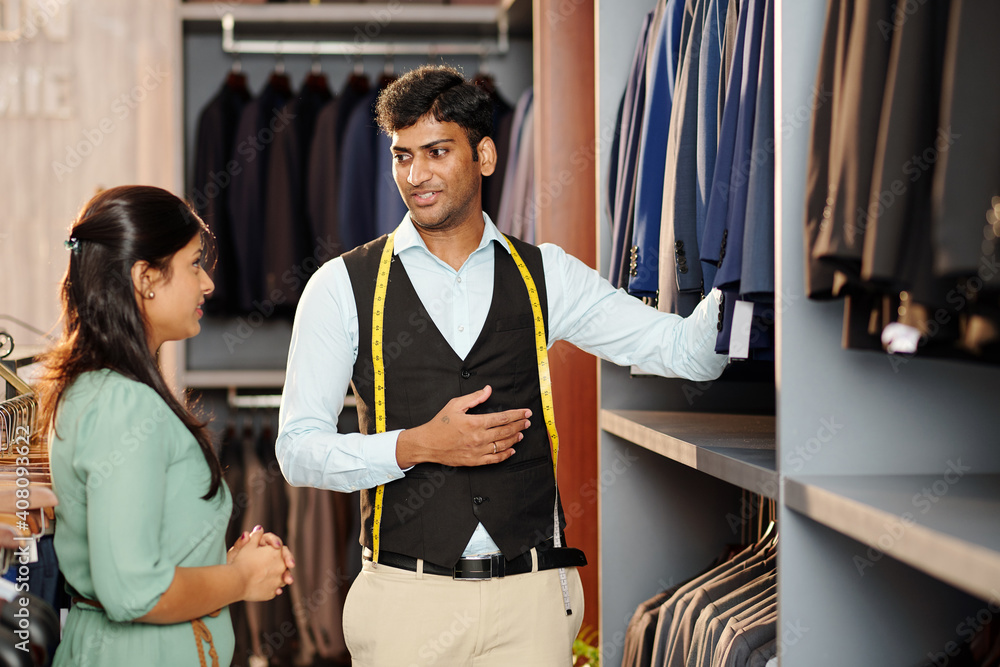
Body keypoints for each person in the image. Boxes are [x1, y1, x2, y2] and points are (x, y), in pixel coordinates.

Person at [276, 65, 728, 666]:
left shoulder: (548, 274)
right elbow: (297, 449)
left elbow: (687, 354)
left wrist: (751, 258)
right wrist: (416, 445)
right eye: (402, 156)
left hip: (533, 601)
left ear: (485, 155)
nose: (416, 176)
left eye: (437, 152)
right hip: (407, 601)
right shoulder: (341, 286)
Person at [37, 185, 295, 667]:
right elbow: (135, 591)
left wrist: (227, 566)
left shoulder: (106, 389)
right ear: (146, 277)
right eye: (195, 263)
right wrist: (238, 581)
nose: (208, 284)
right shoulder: (124, 403)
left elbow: (142, 560)